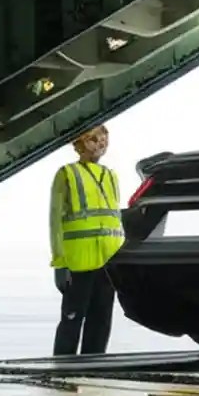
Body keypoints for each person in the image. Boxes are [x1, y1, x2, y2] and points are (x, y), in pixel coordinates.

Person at [49, 124, 123, 356]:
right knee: (72, 319)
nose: (100, 144)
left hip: (109, 262)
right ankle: (62, 368)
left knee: (101, 321)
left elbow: (115, 219)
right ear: (79, 145)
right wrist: (60, 264)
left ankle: (94, 368)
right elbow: (55, 221)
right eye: (93, 139)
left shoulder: (111, 176)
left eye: (104, 139)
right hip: (78, 262)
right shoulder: (67, 174)